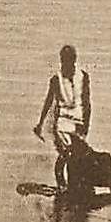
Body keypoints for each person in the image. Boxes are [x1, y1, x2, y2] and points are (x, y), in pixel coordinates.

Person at [33, 45, 91, 190]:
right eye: (63, 61)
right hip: (62, 123)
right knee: (66, 154)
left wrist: (85, 126)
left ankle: (73, 186)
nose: (65, 64)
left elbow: (87, 102)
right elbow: (48, 102)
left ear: (74, 60)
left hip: (78, 122)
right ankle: (62, 185)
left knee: (77, 156)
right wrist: (40, 124)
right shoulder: (56, 80)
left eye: (68, 61)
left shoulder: (83, 77)